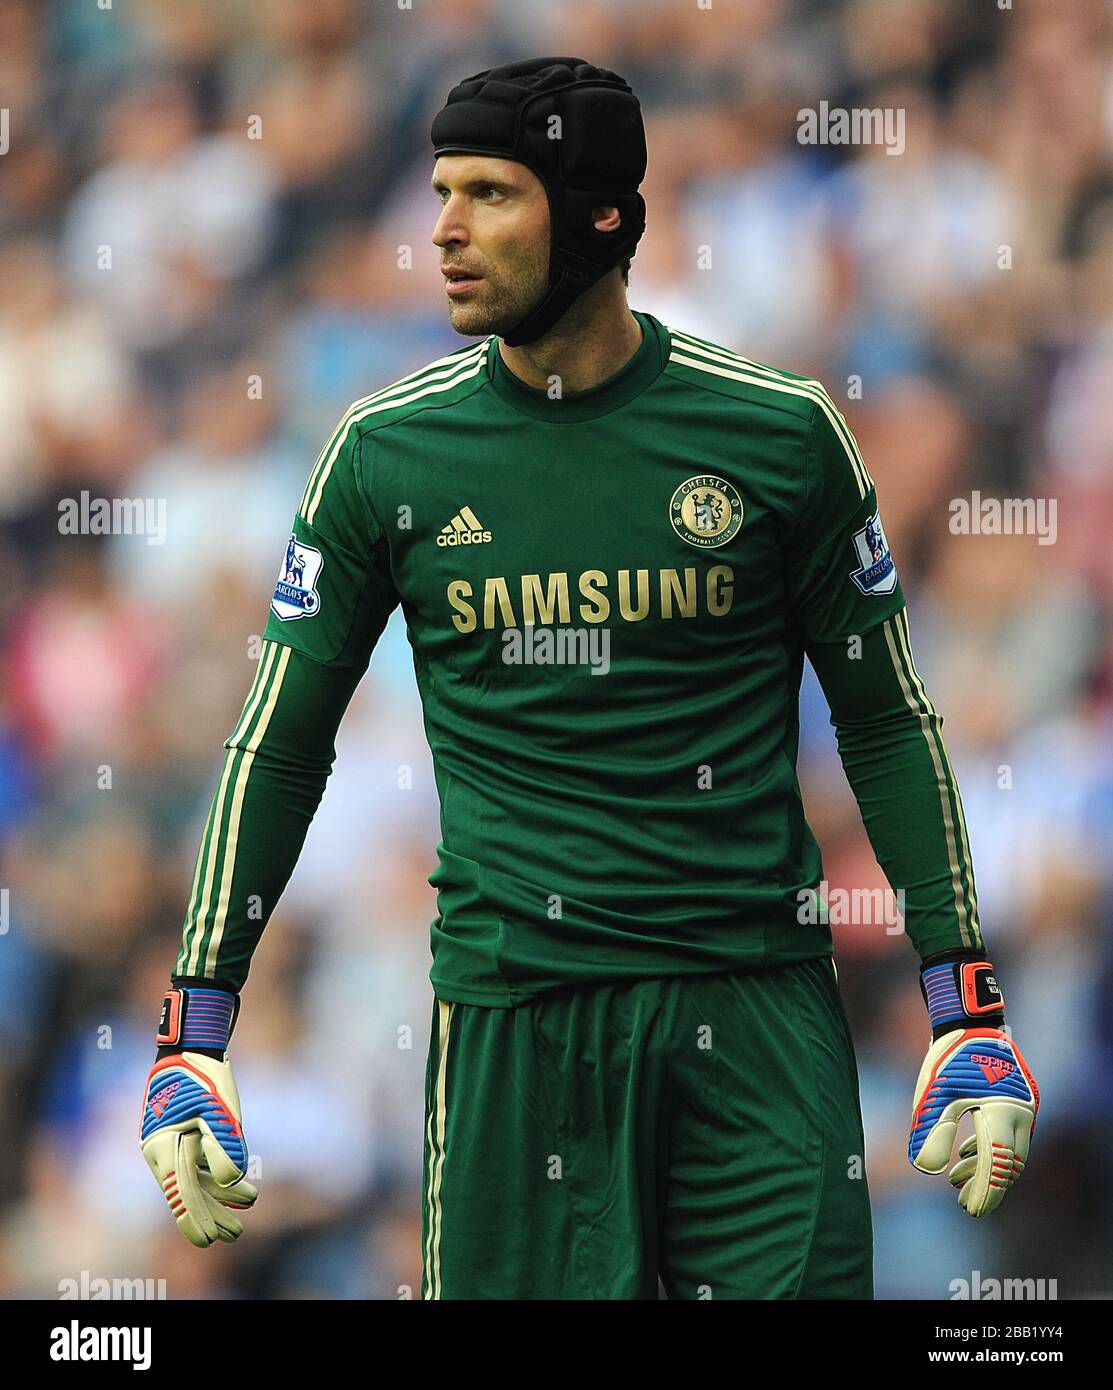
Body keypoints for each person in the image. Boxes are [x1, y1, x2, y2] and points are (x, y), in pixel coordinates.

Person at [139, 57, 1039, 1300]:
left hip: (759, 1022)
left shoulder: (777, 434)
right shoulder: (383, 455)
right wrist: (197, 1020)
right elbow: (279, 741)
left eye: (491, 194)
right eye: (441, 191)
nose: (443, 230)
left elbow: (885, 718)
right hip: (517, 1032)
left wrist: (966, 1000)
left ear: (602, 215)